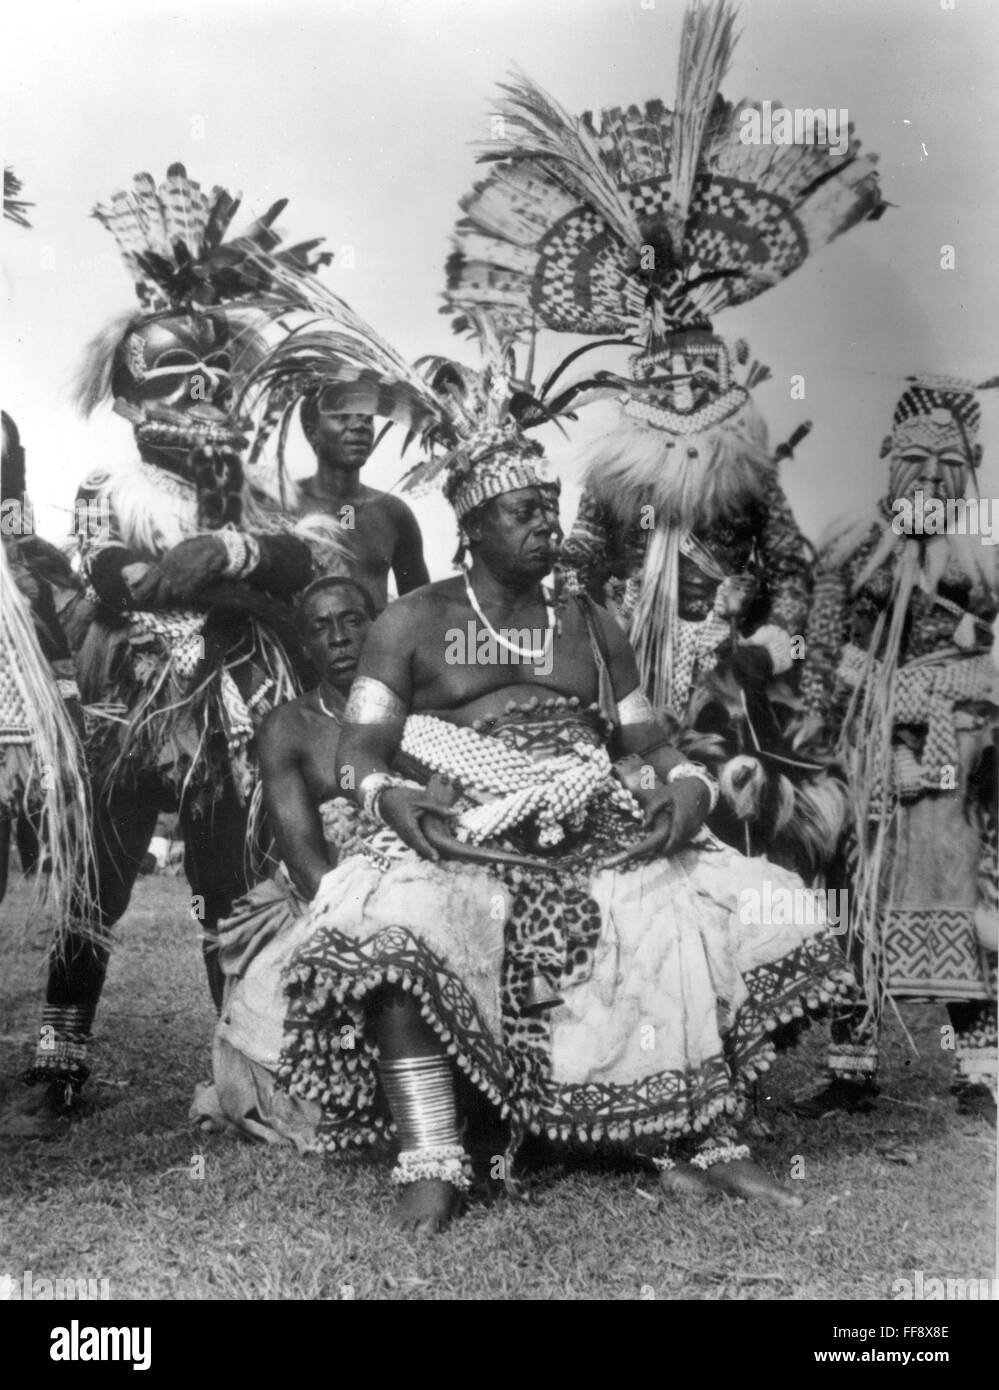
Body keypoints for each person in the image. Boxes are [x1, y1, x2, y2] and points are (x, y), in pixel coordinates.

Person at [266, 311, 854, 1233]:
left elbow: (646, 745)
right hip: (457, 824)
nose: (547, 525)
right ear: (471, 525)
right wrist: (394, 799)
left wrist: (687, 790)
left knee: (715, 912)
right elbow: (360, 752)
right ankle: (434, 1155)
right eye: (522, 511)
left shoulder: (587, 622)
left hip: (593, 819)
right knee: (391, 916)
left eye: (549, 506)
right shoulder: (410, 623)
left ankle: (698, 1136)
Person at [443, 0, 884, 873]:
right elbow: (584, 554)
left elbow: (794, 567)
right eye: (662, 373)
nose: (679, 388)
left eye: (693, 372)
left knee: (764, 814)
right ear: (637, 379)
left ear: (719, 373)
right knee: (627, 811)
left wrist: (772, 642)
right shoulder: (615, 474)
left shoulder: (743, 472)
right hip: (628, 661)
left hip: (733, 664)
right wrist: (557, 618)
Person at [0, 164, 328, 1139]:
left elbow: (304, 560)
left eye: (203, 374)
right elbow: (99, 560)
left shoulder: (259, 489)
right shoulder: (112, 484)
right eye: (164, 379)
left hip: (231, 718)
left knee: (228, 886)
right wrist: (127, 576)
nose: (189, 394)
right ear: (132, 396)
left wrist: (229, 549)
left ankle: (242, 1059)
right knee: (93, 888)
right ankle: (60, 1059)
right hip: (128, 714)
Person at [793, 375, 998, 1119]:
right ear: (888, 456)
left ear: (969, 465)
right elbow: (821, 656)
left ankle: (979, 1076)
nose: (933, 475)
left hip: (959, 758)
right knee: (856, 903)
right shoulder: (852, 547)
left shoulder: (980, 556)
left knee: (960, 907)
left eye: (950, 462)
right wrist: (849, 737)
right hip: (864, 749)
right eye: (916, 457)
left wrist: (964, 700)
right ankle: (852, 1071)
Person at [192, 575, 377, 1146]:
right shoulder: (288, 727)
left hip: (429, 886)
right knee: (310, 1063)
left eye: (352, 621)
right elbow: (304, 862)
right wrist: (375, 934)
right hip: (330, 906)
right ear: (305, 646)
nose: (340, 639)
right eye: (321, 628)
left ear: (380, 627)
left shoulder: (425, 709)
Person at [296, 396, 429, 610]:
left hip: (376, 642)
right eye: (342, 417)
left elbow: (420, 610)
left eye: (367, 418)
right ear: (312, 433)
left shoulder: (392, 513)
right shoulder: (284, 506)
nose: (359, 426)